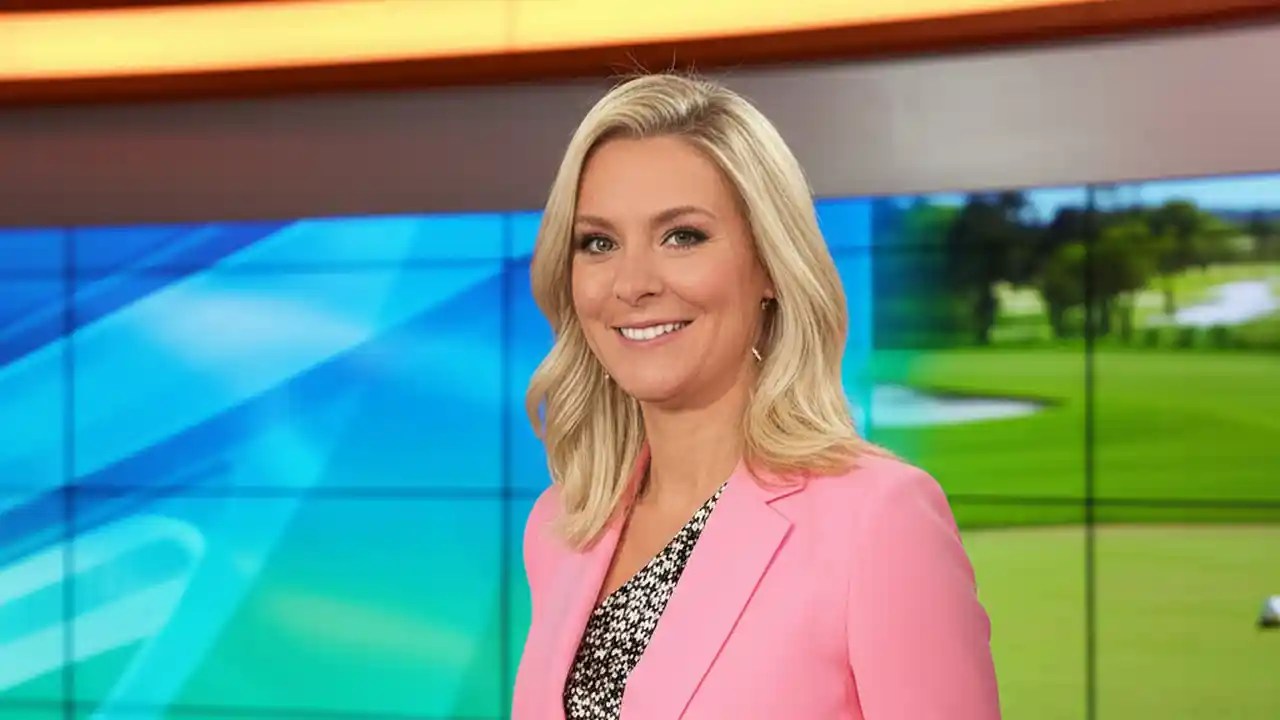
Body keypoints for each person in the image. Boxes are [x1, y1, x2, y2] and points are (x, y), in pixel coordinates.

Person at [511, 72, 1000, 720]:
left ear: (768, 263)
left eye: (682, 235)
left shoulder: (878, 519)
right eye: (598, 243)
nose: (631, 284)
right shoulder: (563, 524)